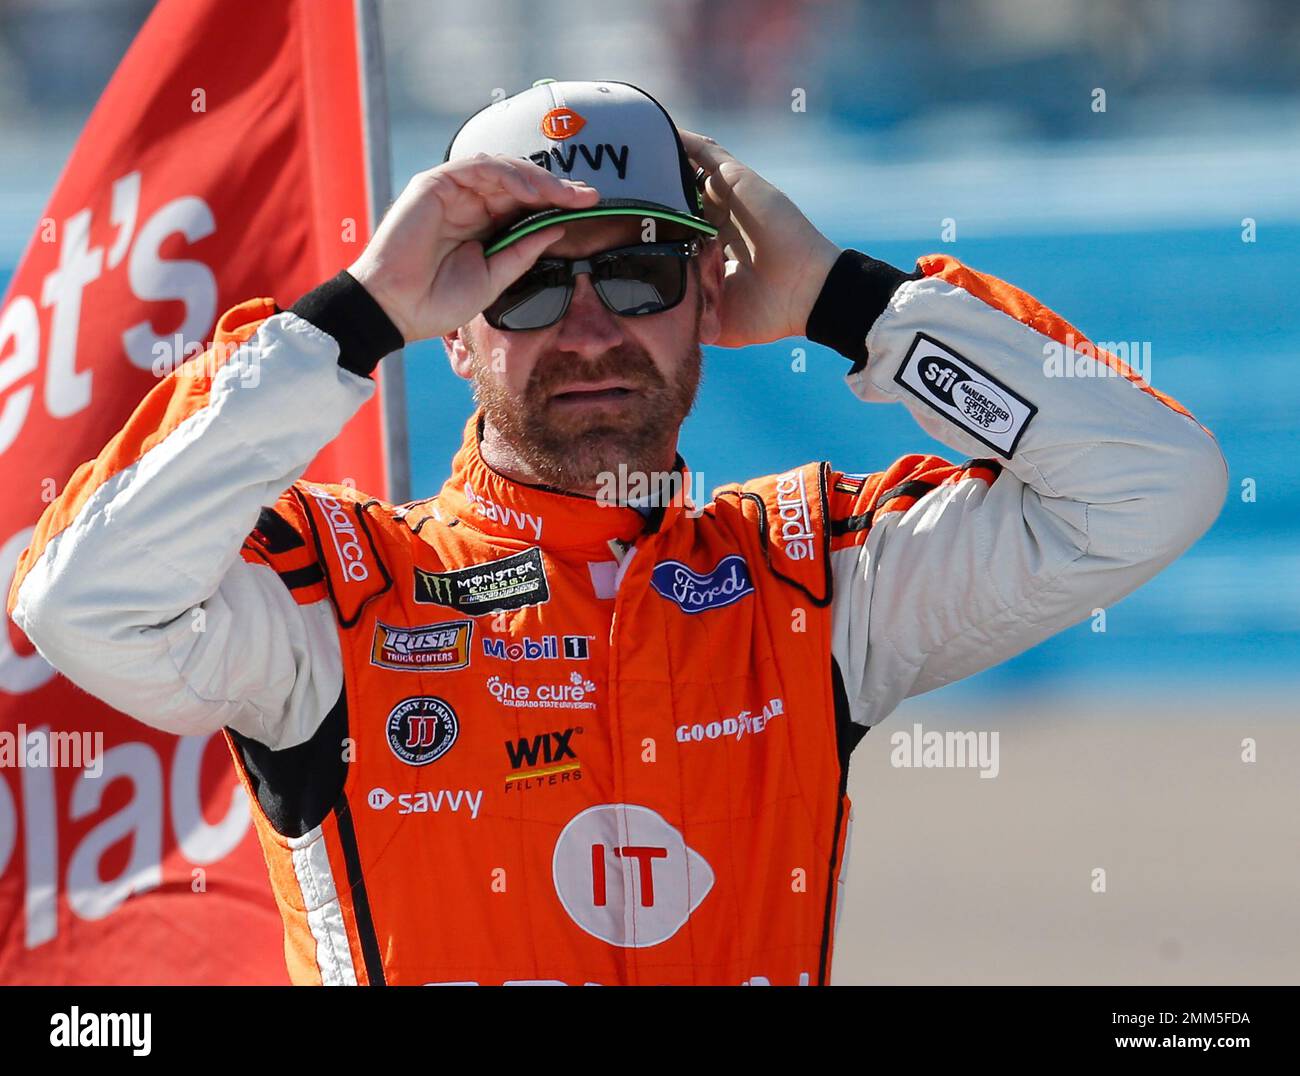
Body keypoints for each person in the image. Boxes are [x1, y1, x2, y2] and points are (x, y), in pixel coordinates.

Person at [6, 79, 1226, 986]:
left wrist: (842, 300)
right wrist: (353, 319)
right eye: (528, 285)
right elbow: (78, 598)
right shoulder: (336, 596)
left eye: (639, 276)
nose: (590, 329)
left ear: (711, 296)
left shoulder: (813, 573)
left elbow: (1151, 483)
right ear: (456, 327)